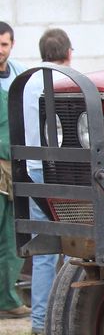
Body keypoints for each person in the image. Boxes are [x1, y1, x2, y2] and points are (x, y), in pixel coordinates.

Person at [23, 29, 73, 334]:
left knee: (44, 250)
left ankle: (40, 321)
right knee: (75, 246)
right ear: (69, 52)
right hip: (62, 172)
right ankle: (69, 317)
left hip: (33, 170)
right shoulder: (69, 79)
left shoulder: (28, 82)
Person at [0, 21, 28, 319]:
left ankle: (7, 299)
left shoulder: (19, 74)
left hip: (13, 166)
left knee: (12, 235)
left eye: (4, 45)